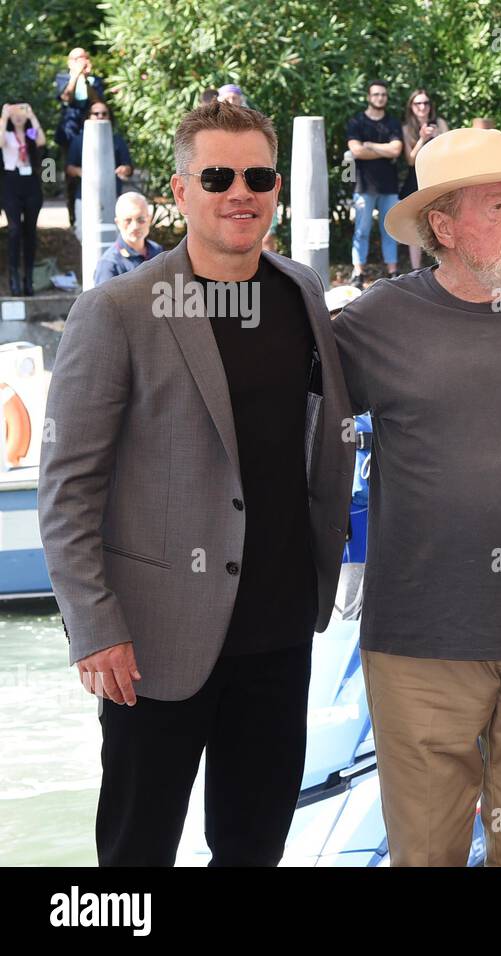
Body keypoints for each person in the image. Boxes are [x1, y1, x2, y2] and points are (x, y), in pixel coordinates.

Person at [38, 101, 354, 866]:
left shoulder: (301, 292)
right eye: (217, 175)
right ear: (181, 192)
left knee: (253, 847)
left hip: (279, 627)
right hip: (152, 638)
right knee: (135, 852)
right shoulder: (116, 310)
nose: (239, 191)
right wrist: (96, 624)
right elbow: (67, 488)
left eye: (257, 175)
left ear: (277, 186)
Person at [332, 127, 501, 867]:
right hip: (421, 645)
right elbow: (280, 417)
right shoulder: (372, 323)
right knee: (428, 857)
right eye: (497, 206)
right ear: (442, 227)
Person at [345, 81, 403, 287]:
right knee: (362, 230)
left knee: (390, 230)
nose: (380, 98)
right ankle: (358, 272)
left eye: (383, 95)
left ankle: (393, 272)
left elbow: (396, 150)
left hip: (389, 186)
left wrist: (370, 145)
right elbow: (356, 151)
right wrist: (383, 150)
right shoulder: (356, 122)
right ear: (369, 97)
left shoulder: (393, 122)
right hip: (363, 186)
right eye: (376, 94)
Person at [54, 48, 107, 225]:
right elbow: (66, 97)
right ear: (70, 62)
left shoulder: (95, 81)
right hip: (70, 135)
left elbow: (97, 102)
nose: (82, 61)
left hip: (93, 134)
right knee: (72, 177)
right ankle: (73, 218)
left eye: (85, 57)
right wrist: (76, 76)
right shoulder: (62, 78)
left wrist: (86, 80)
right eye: (77, 58)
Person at [66, 101, 134, 239]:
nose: (100, 116)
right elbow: (69, 167)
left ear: (109, 117)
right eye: (96, 113)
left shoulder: (117, 140)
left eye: (104, 113)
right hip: (85, 196)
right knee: (83, 232)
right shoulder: (79, 141)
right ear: (88, 117)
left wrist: (124, 170)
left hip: (112, 195)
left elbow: (128, 166)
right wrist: (81, 172)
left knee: (113, 233)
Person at [398, 89, 449, 271]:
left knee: (441, 221)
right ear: (411, 107)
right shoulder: (406, 128)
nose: (422, 107)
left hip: (437, 178)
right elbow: (410, 160)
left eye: (425, 103)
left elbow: (448, 153)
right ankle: (415, 269)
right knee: (416, 226)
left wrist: (436, 138)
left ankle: (445, 265)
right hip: (416, 180)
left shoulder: (440, 124)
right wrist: (422, 139)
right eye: (418, 103)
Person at [2, 101, 46, 297]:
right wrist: (4, 115)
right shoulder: (8, 134)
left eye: (21, 113)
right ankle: (14, 277)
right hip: (11, 182)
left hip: (30, 183)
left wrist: (32, 115)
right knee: (14, 230)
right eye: (15, 113)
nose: (18, 116)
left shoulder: (29, 135)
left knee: (30, 231)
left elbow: (42, 141)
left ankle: (29, 278)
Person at [92, 191, 163, 286]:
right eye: (128, 221)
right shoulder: (109, 265)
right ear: (118, 223)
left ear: (149, 219)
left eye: (141, 220)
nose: (135, 226)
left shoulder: (157, 252)